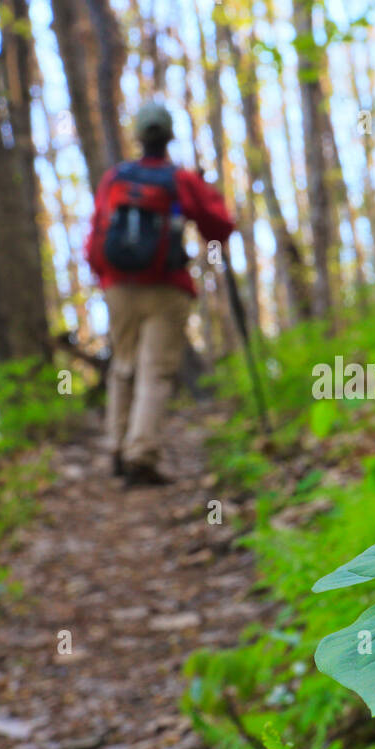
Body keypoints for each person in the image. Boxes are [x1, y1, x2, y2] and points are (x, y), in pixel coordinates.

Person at [85, 101, 235, 486]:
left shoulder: (115, 179)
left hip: (119, 287)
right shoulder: (179, 179)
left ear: (138, 136)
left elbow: (94, 239)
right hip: (167, 288)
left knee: (123, 366)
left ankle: (117, 448)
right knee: (155, 371)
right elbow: (219, 226)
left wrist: (108, 277)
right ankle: (141, 453)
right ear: (169, 137)